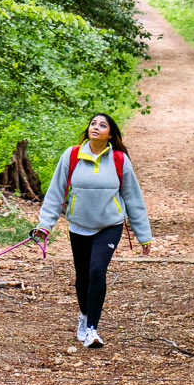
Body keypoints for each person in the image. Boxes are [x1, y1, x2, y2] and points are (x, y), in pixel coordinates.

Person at [33, 112, 152, 349]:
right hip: (79, 226)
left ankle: (92, 330)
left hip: (109, 226)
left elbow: (133, 198)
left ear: (111, 133)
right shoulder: (72, 155)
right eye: (93, 123)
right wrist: (44, 225)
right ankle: (85, 315)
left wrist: (143, 235)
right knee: (83, 276)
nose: (96, 127)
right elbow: (56, 192)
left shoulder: (119, 160)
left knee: (97, 272)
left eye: (102, 125)